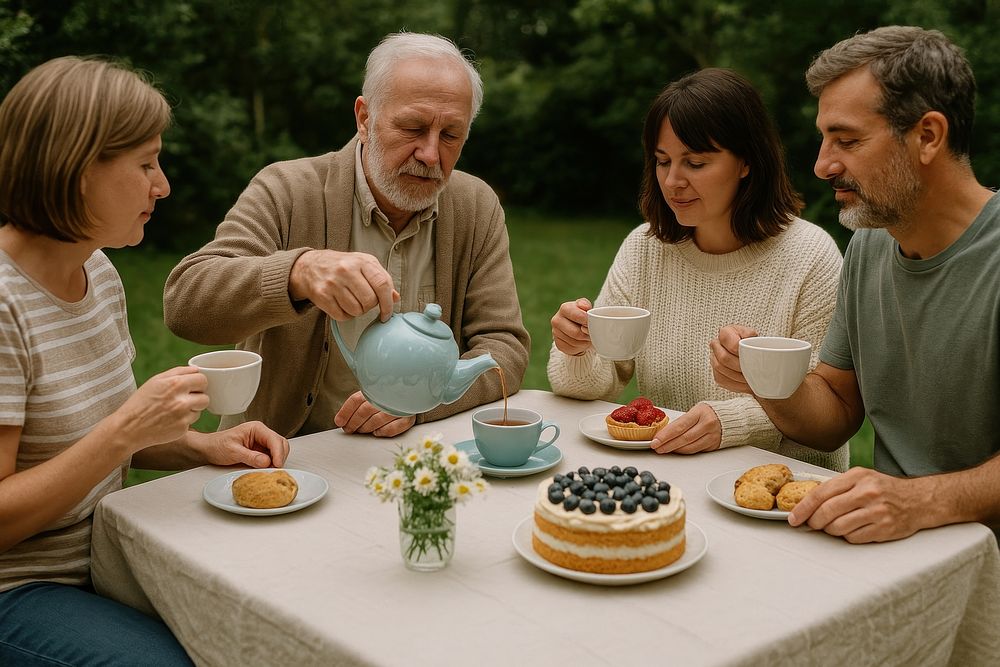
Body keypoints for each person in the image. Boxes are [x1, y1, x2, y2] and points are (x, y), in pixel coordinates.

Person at [0, 57, 289, 665]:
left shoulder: (97, 272)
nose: (163, 186)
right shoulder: (3, 303)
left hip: (113, 550)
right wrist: (126, 428)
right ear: (78, 169)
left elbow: (94, 441)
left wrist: (202, 446)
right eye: (146, 164)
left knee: (269, 622)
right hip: (22, 587)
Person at [162, 32, 529, 439]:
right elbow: (186, 303)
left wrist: (423, 402)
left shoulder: (475, 205)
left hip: (420, 458)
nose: (429, 154)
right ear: (364, 118)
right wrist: (298, 273)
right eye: (412, 127)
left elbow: (505, 348)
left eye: (450, 136)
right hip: (284, 458)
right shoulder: (286, 188)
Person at [712, 26, 1000, 543]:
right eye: (825, 139)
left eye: (847, 140)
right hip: (890, 545)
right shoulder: (870, 244)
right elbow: (836, 413)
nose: (823, 165)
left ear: (928, 136)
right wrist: (772, 379)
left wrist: (919, 500)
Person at [547, 68, 848, 471]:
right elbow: (590, 385)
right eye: (662, 161)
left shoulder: (811, 257)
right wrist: (576, 349)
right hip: (675, 479)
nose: (673, 181)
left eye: (696, 163)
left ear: (746, 162)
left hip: (788, 493)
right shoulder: (646, 248)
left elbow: (826, 409)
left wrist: (734, 423)